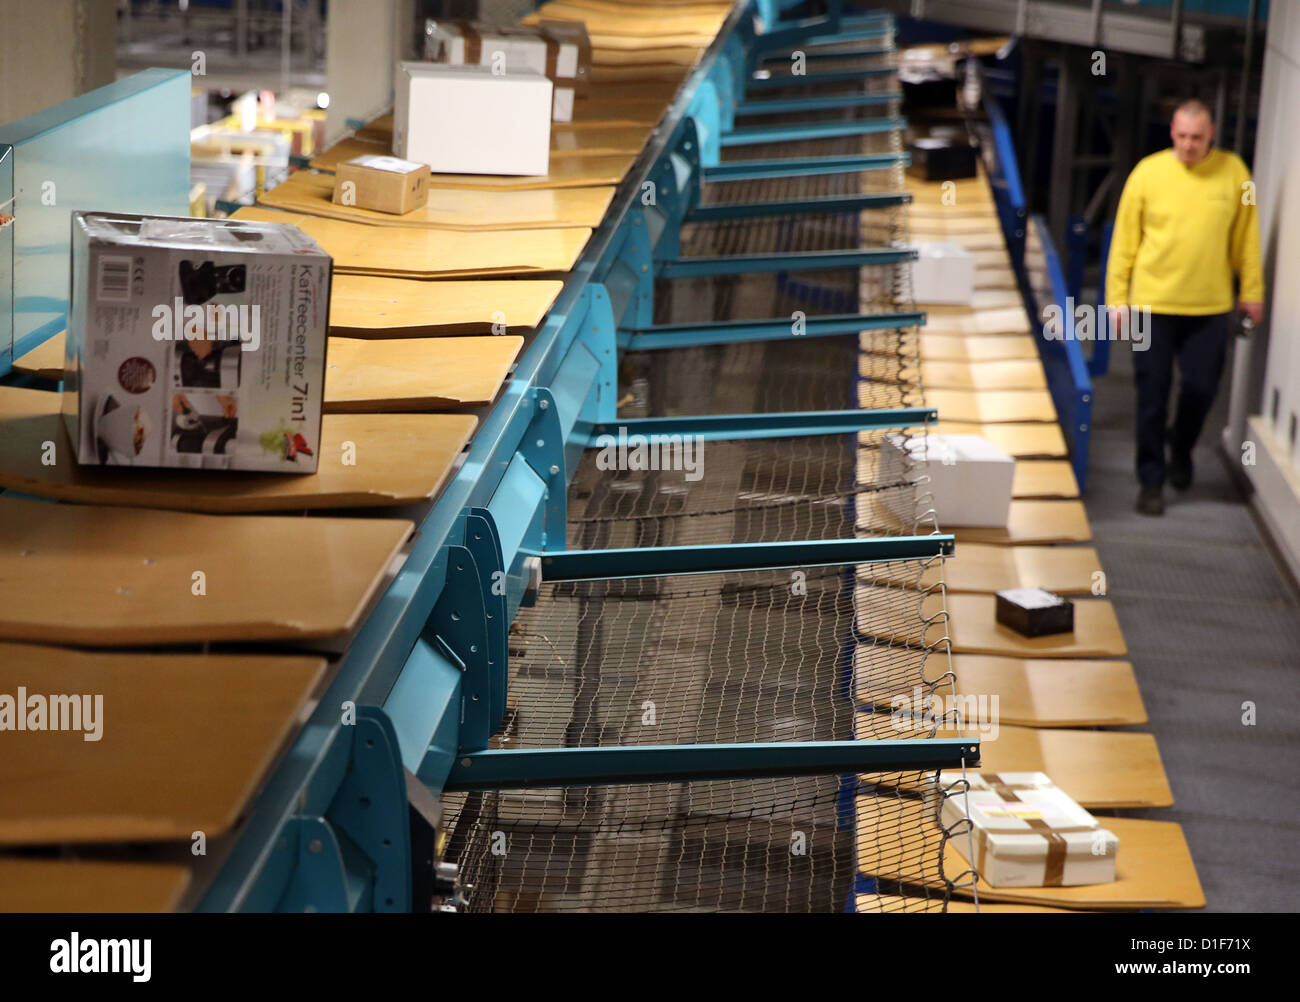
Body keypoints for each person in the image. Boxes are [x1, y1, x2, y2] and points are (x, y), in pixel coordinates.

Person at [1105, 99, 1264, 516]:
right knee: (1152, 394)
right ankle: (1151, 480)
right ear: (1171, 132)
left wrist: (1253, 291)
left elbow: (1247, 240)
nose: (1189, 145)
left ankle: (1182, 450)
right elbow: (1124, 242)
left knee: (1200, 389)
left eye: (1197, 137)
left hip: (1209, 307)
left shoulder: (1235, 174)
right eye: (1181, 136)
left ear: (1211, 134)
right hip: (1151, 305)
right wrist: (1115, 300)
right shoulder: (1148, 173)